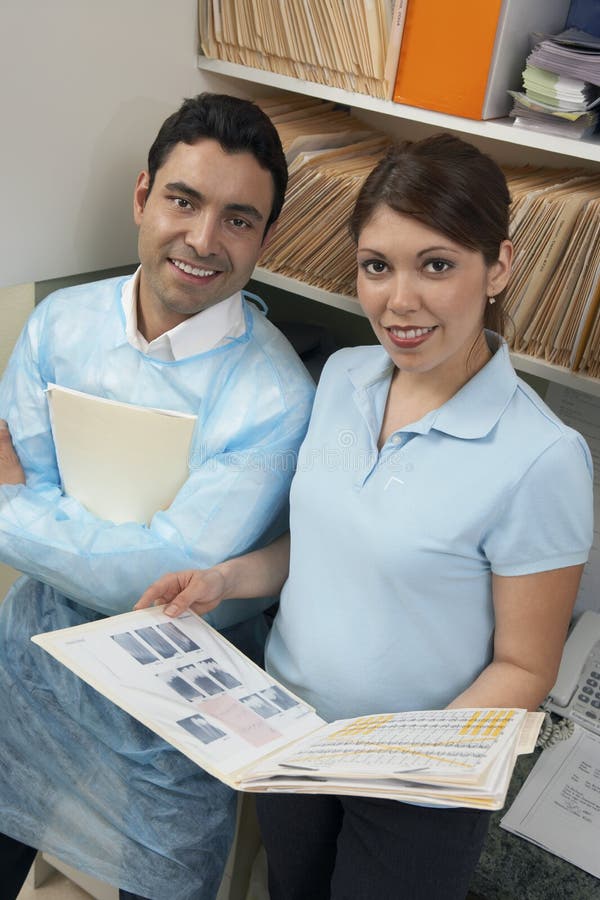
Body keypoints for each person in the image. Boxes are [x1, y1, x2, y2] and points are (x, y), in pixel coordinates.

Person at [136, 133, 594, 900]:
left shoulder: (543, 458)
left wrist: (391, 760)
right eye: (377, 265)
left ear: (500, 268)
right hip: (290, 733)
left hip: (416, 789)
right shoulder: (346, 375)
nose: (398, 299)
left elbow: (526, 668)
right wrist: (226, 577)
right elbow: (316, 545)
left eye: (436, 265)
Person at [0, 93, 314, 900]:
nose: (205, 240)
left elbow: (165, 574)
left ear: (265, 238)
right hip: (31, 675)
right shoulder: (59, 326)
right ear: (143, 197)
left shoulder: (276, 393)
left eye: (239, 219)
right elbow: (96, 535)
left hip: (172, 717)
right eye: (184, 200)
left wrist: (16, 514)